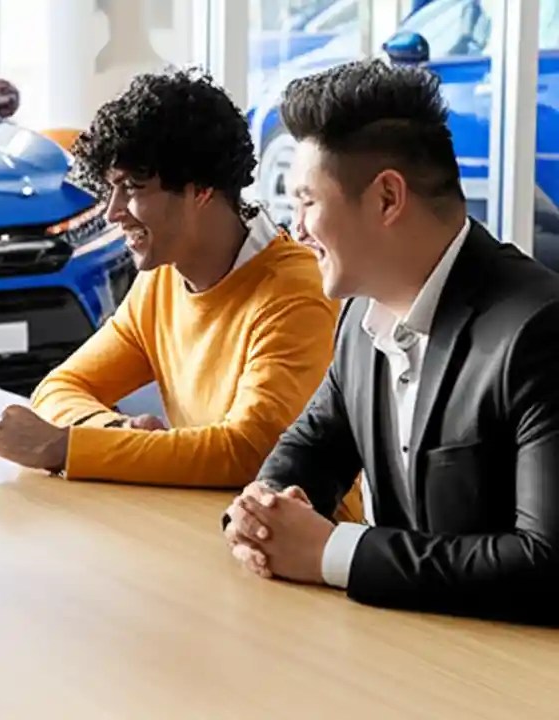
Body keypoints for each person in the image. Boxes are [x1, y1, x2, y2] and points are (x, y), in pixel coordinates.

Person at [223, 59, 559, 626]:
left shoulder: (538, 329)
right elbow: (310, 450)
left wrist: (330, 553)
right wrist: (262, 510)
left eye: (306, 201)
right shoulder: (360, 316)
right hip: (403, 650)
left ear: (386, 199)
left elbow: (546, 564)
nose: (295, 229)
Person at [0, 68, 345, 496]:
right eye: (111, 189)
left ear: (201, 190)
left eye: (133, 188)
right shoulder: (161, 279)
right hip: (196, 524)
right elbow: (63, 386)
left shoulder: (295, 292)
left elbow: (251, 451)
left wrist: (63, 448)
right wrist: (119, 431)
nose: (112, 212)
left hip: (293, 546)